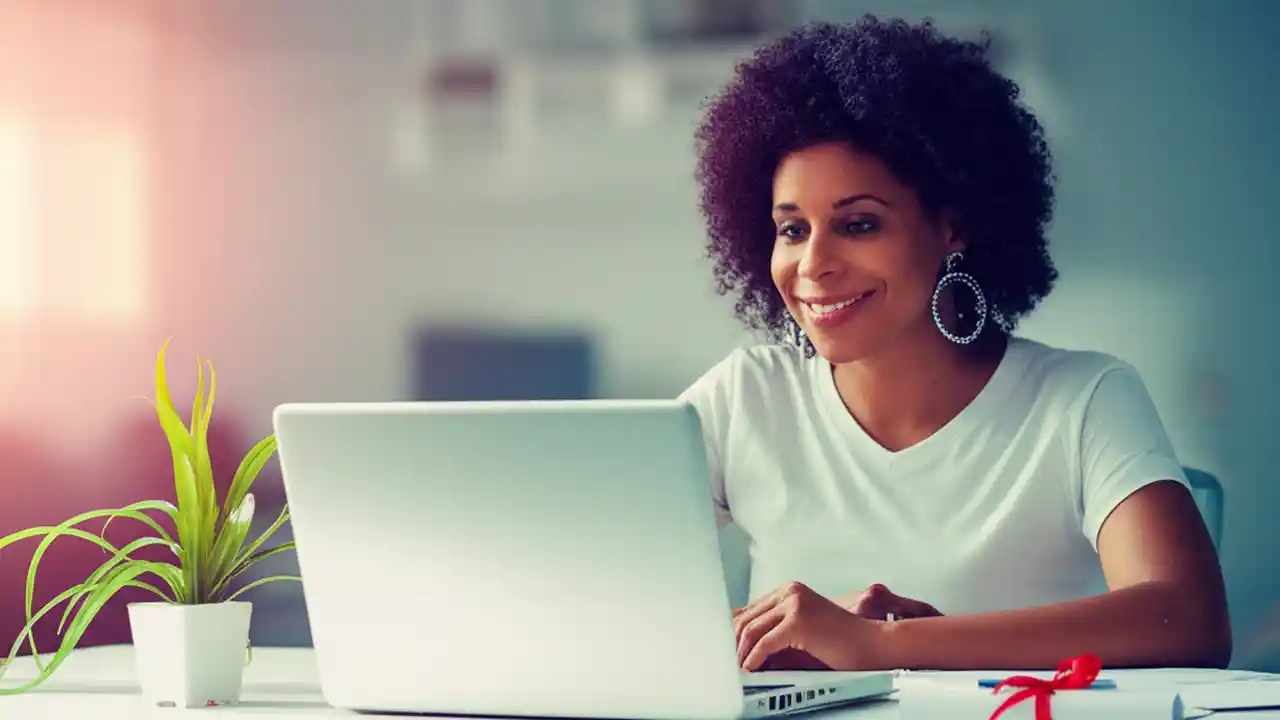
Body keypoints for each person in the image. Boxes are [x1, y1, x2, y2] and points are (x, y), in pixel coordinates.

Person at [680, 16, 1230, 672]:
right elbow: (589, 591)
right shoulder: (745, 397)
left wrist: (877, 644)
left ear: (953, 228)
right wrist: (775, 637)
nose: (814, 264)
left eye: (859, 224)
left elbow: (1188, 618)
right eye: (792, 230)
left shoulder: (1082, 399)